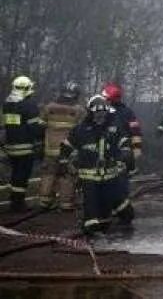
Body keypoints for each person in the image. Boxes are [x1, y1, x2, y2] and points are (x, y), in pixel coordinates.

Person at [59, 95, 134, 233]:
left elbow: (124, 141)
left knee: (122, 209)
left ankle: (123, 214)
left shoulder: (114, 128)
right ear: (90, 112)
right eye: (97, 113)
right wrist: (63, 161)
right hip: (89, 180)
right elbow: (66, 146)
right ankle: (91, 225)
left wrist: (126, 153)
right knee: (92, 215)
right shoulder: (80, 129)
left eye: (103, 112)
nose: (100, 116)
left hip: (110, 177)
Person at [37, 82, 84, 211]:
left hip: (50, 149)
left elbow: (40, 126)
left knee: (48, 174)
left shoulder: (49, 107)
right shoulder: (79, 110)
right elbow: (82, 131)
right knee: (67, 176)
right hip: (69, 151)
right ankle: (66, 204)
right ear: (76, 95)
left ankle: (44, 202)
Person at [1, 76, 45, 212]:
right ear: (27, 88)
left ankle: (14, 200)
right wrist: (44, 129)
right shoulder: (29, 104)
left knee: (15, 174)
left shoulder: (7, 104)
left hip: (10, 146)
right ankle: (18, 204)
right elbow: (34, 128)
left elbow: (9, 124)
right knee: (22, 176)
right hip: (25, 147)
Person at [101, 83, 143, 170]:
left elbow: (135, 131)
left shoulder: (127, 113)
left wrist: (137, 149)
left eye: (107, 99)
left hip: (122, 149)